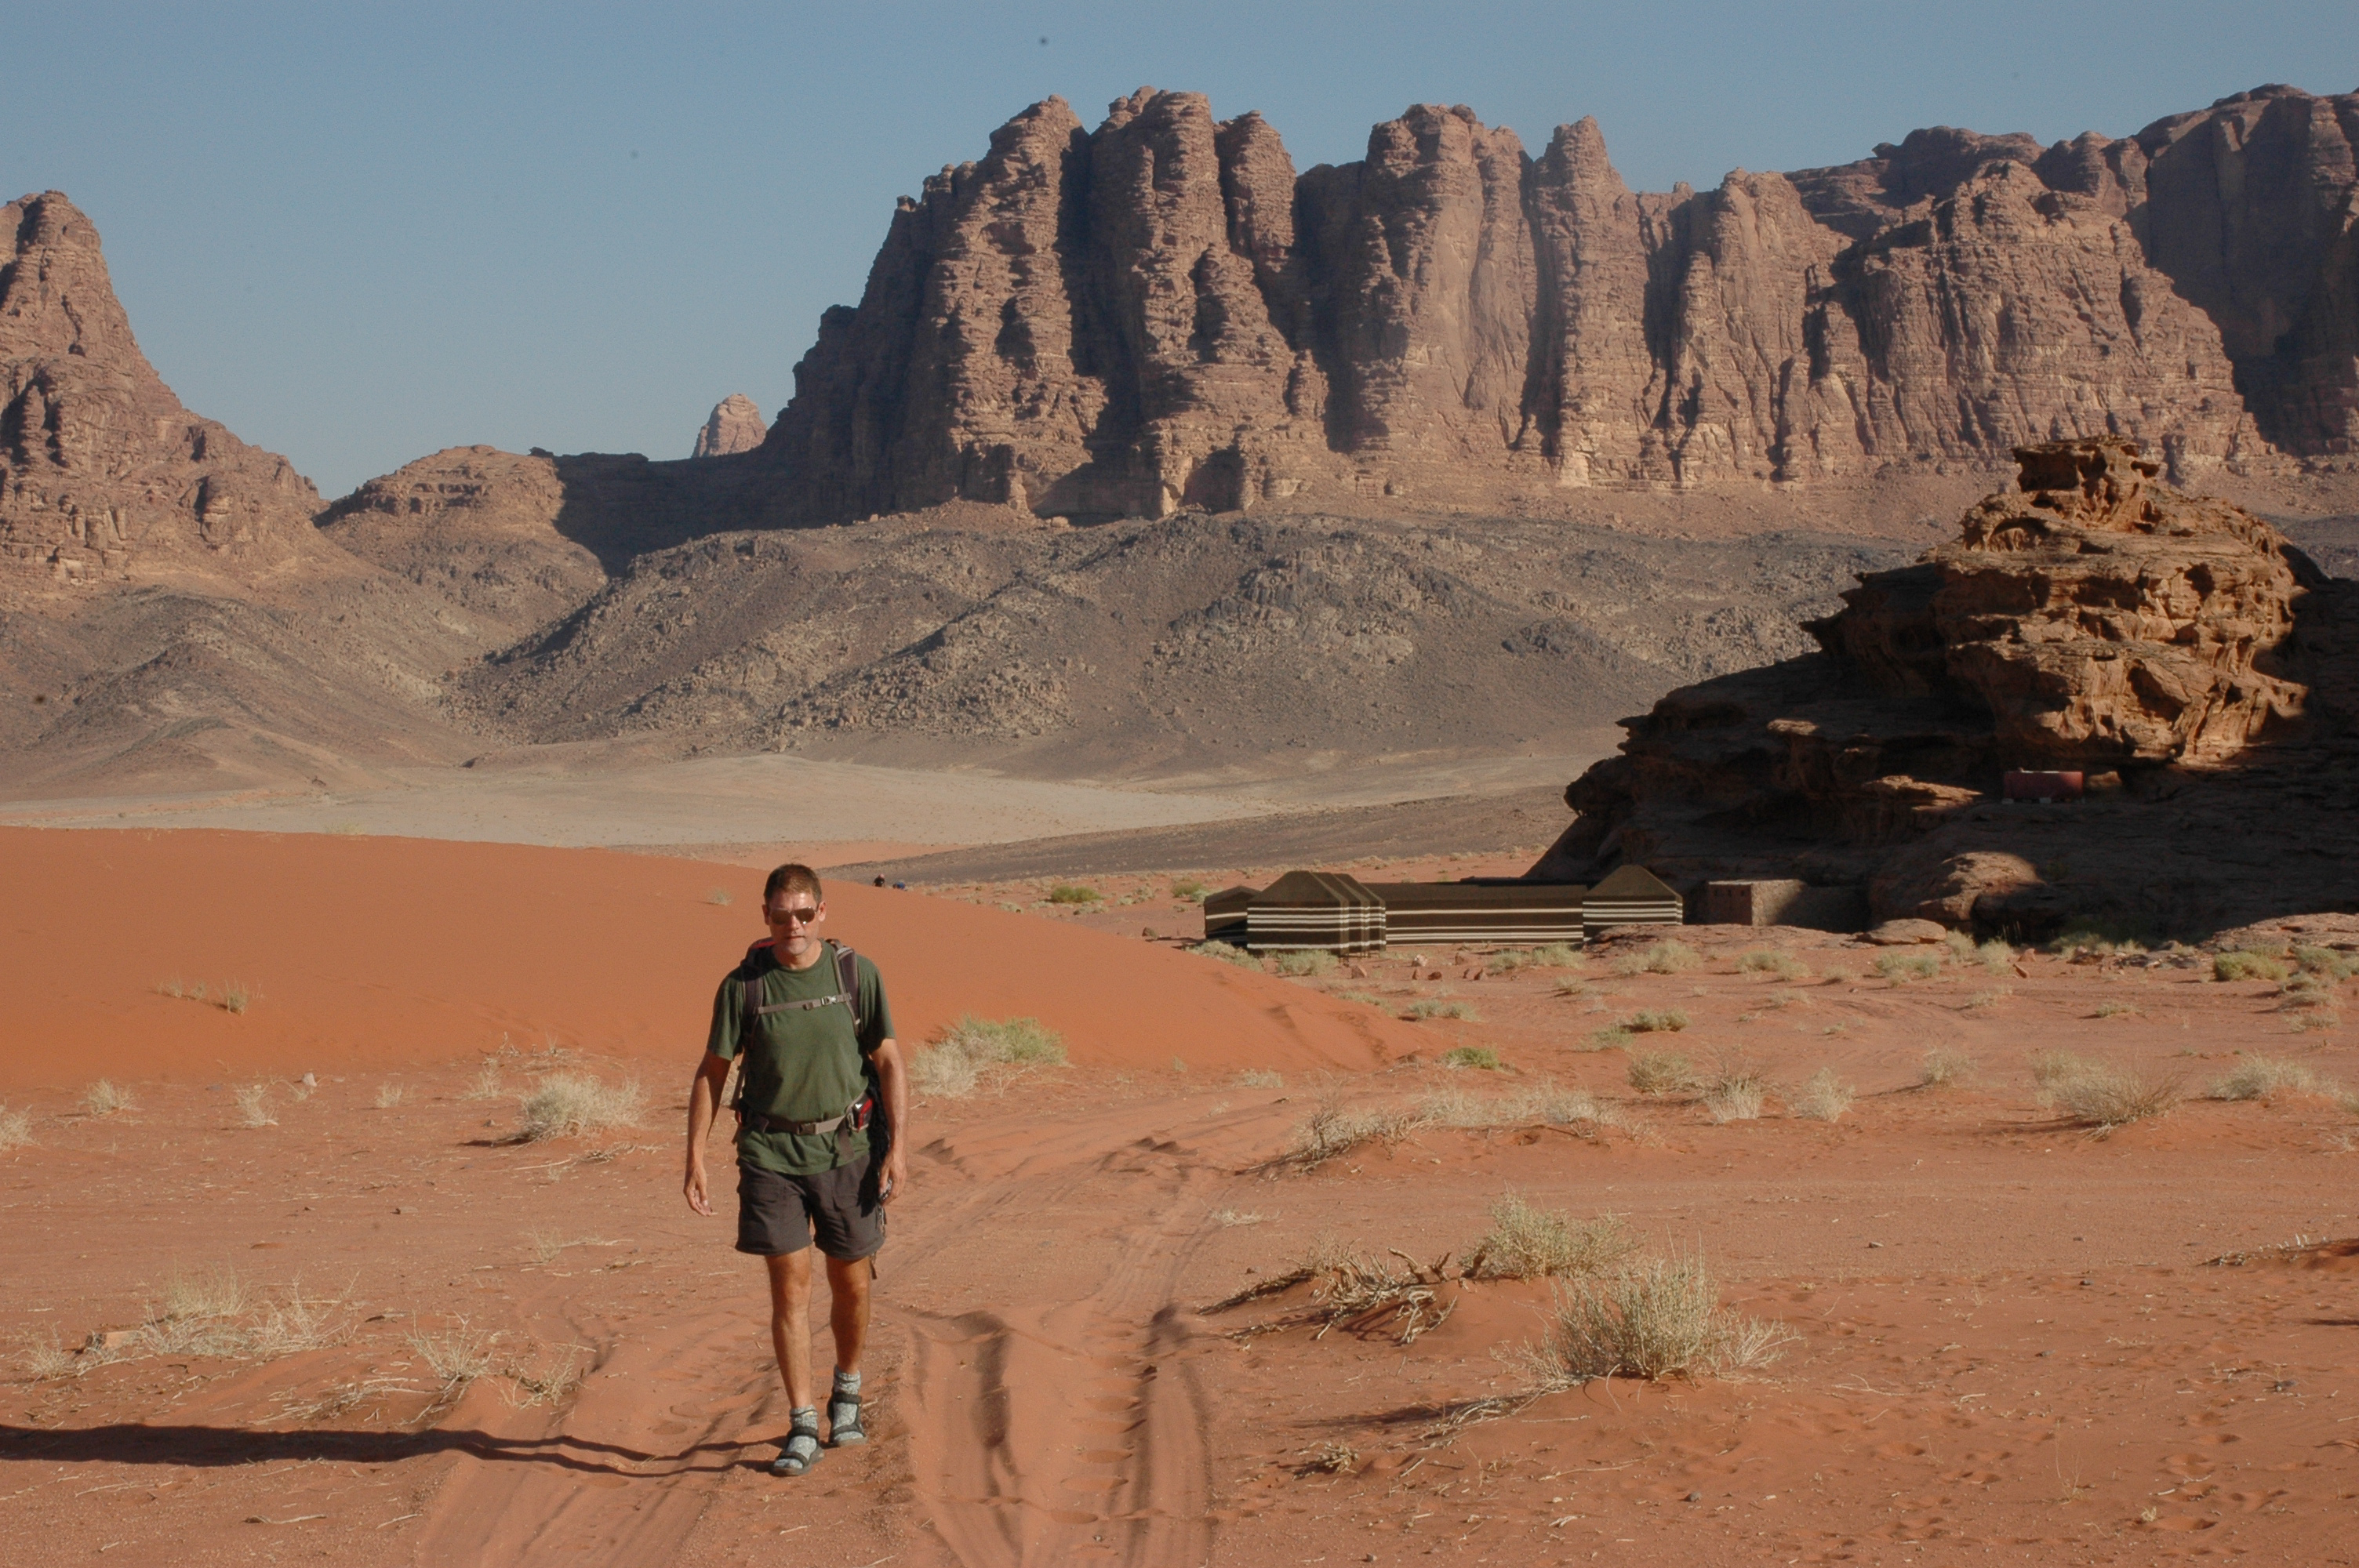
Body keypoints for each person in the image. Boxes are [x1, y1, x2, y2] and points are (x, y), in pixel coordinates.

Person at [683, 863, 909, 1477]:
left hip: (847, 1151)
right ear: (765, 916)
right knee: (789, 1287)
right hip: (770, 1155)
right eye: (782, 915)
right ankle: (803, 1422)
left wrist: (898, 1146)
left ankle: (849, 1393)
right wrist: (695, 1156)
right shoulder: (743, 987)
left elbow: (888, 1060)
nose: (794, 926)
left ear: (823, 913)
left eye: (805, 914)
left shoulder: (855, 975)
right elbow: (713, 1070)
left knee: (852, 1283)